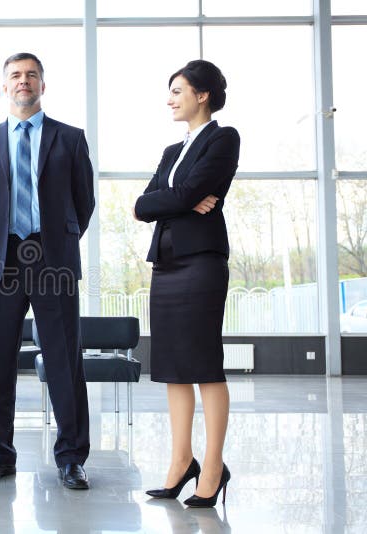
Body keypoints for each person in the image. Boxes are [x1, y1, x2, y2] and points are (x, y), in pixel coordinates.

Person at [0, 52, 95, 489]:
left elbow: (85, 203)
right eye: (15, 76)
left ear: (43, 84)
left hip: (52, 256)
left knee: (64, 358)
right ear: (4, 86)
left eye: (32, 75)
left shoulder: (71, 139)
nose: (24, 81)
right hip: (3, 258)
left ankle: (71, 457)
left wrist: (56, 240)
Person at [133, 59, 240, 508]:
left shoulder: (224, 137)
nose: (170, 98)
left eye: (178, 90)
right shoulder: (170, 153)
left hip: (201, 263)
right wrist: (180, 201)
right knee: (174, 367)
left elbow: (175, 196)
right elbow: (144, 204)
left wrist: (175, 200)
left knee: (204, 365)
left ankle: (213, 467)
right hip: (167, 265)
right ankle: (181, 461)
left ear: (203, 94)